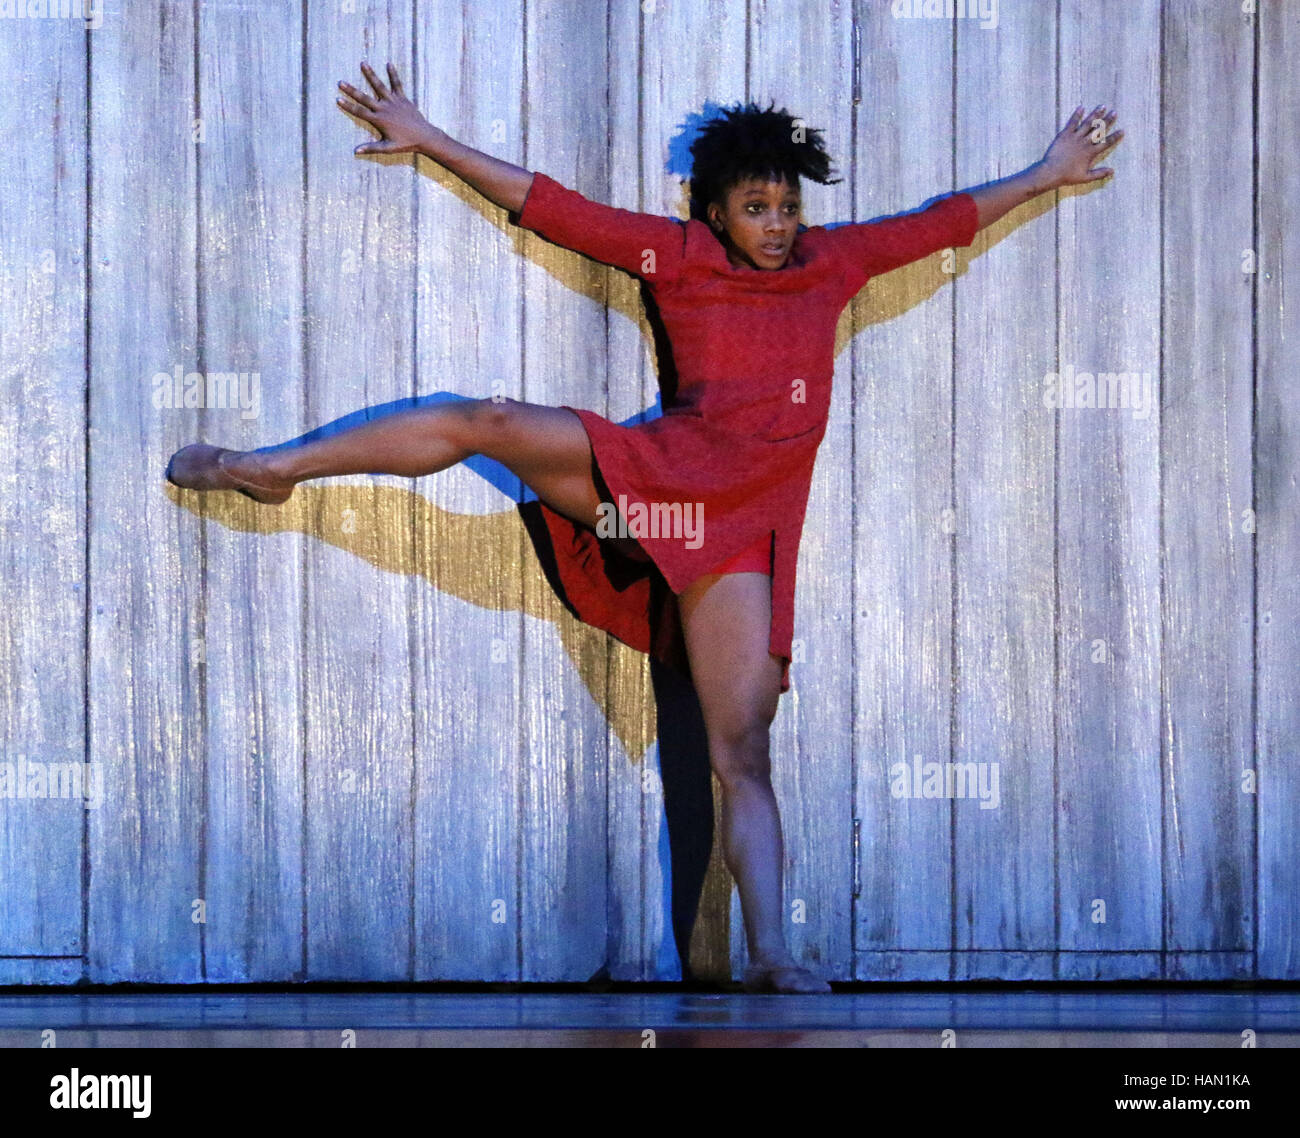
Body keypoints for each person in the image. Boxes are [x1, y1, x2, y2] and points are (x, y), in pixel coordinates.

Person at [167, 61, 1121, 993]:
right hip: (655, 487)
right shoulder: (679, 255)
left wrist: (1048, 172)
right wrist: (428, 141)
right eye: (756, 208)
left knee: (741, 750)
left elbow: (938, 225)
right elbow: (549, 205)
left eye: (786, 207)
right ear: (714, 211)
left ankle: (771, 954)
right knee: (484, 418)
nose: (777, 227)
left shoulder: (836, 263)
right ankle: (273, 470)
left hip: (744, 537)